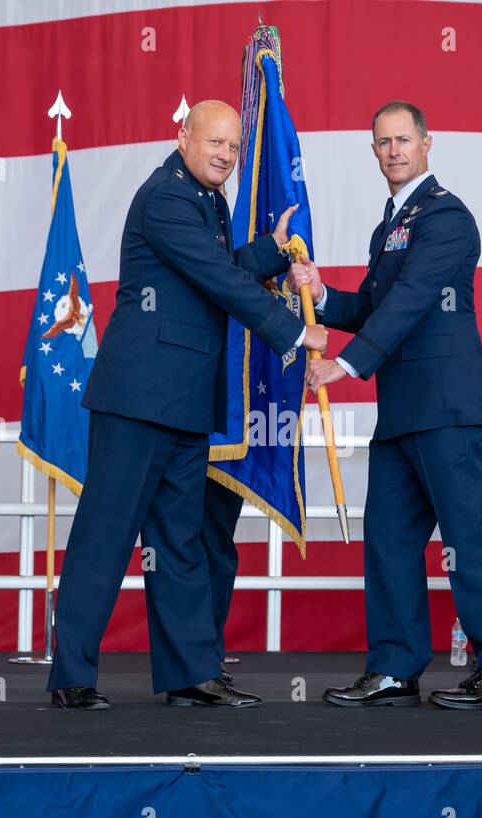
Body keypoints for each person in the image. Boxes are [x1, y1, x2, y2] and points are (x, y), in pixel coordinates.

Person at [47, 100, 327, 710]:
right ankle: (71, 677)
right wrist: (293, 330)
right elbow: (216, 279)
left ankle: (189, 674)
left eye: (233, 146)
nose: (226, 155)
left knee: (178, 541)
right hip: (138, 398)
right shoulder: (166, 196)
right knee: (107, 534)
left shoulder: (208, 200)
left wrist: (272, 252)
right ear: (183, 136)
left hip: (184, 402)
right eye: (214, 142)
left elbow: (220, 265)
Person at [288, 100, 482, 709]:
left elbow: (415, 298)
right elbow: (373, 305)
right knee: (390, 541)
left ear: (427, 143)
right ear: (373, 151)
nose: (393, 150)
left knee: (467, 538)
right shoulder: (388, 225)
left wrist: (345, 365)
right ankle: (395, 669)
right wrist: (322, 292)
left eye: (403, 139)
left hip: (447, 408)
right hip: (401, 412)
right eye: (382, 142)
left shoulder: (447, 217)